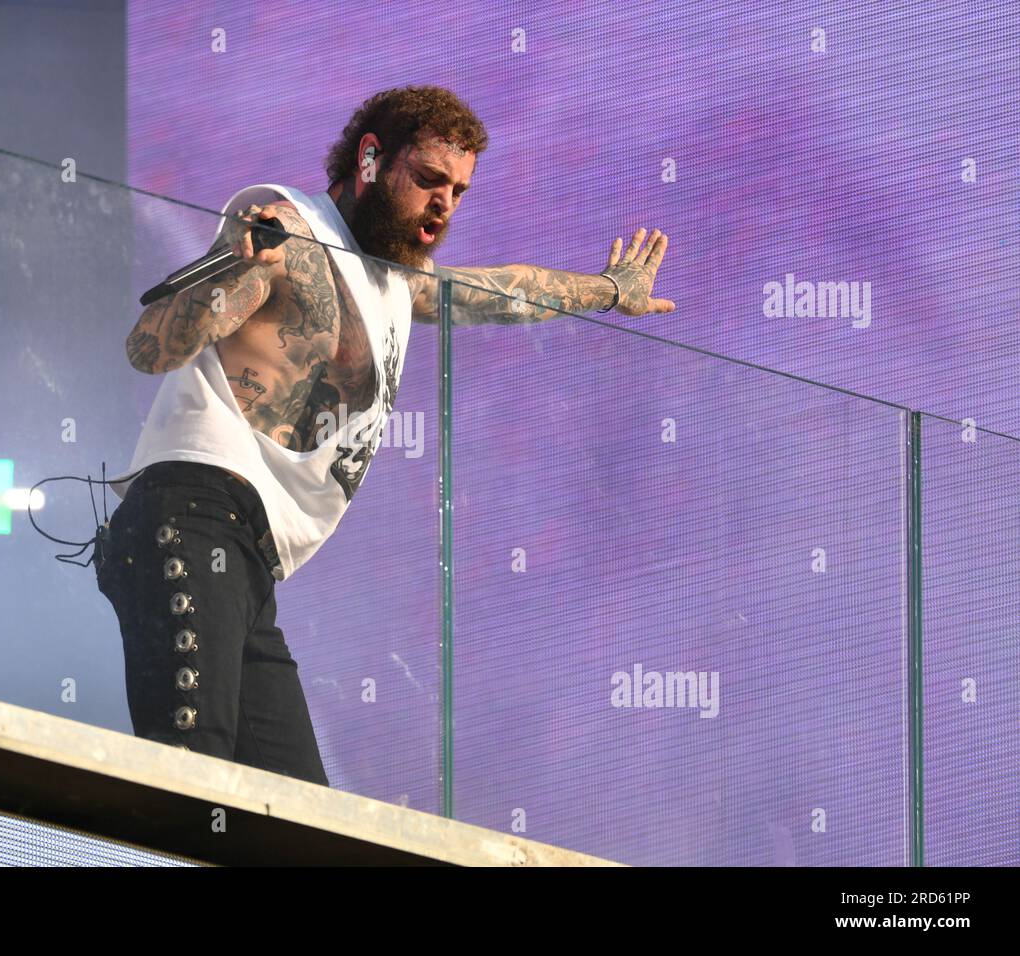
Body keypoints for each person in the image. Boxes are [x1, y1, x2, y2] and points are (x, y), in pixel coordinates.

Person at [97, 85, 675, 786]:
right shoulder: (290, 226)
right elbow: (147, 349)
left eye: (460, 191)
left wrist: (609, 290)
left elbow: (499, 293)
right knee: (193, 779)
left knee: (299, 817)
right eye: (429, 179)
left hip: (247, 560)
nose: (445, 204)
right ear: (370, 160)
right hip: (190, 516)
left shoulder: (396, 279)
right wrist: (243, 268)